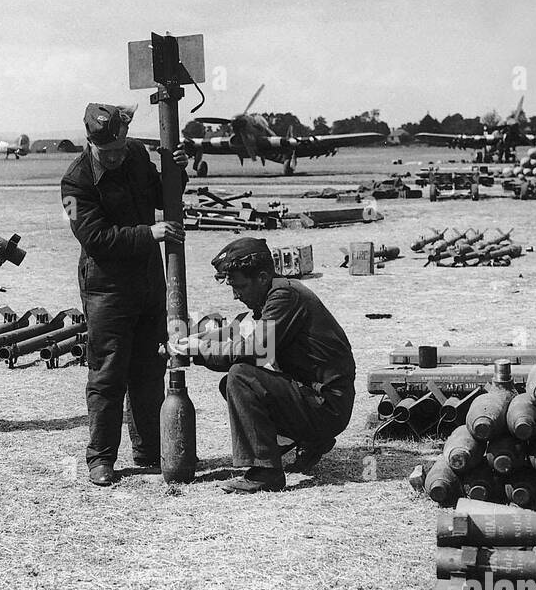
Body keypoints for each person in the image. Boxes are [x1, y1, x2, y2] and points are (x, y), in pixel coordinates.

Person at [60, 103, 189, 486]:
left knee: (149, 368)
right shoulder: (75, 182)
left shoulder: (134, 154)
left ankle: (149, 449)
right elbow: (96, 239)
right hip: (107, 287)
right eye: (108, 152)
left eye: (120, 147)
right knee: (108, 372)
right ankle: (100, 459)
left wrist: (177, 170)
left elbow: (163, 197)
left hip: (148, 283)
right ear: (90, 143)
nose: (116, 156)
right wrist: (150, 234)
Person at [177, 237, 356, 493]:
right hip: (321, 399)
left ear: (262, 277)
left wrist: (199, 350)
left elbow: (253, 350)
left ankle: (265, 471)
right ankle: (311, 439)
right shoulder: (277, 293)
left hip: (328, 406)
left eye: (240, 286)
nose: (236, 295)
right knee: (232, 382)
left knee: (241, 377)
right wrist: (195, 343)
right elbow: (239, 334)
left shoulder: (284, 297)